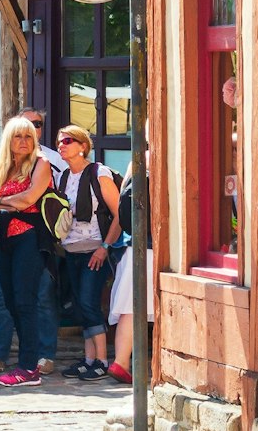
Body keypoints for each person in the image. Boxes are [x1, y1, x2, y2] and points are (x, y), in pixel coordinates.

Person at [0, 107, 59, 373]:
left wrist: (2, 202)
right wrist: (1, 207)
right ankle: (5, 356)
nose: (24, 141)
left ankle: (33, 362)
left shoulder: (43, 162)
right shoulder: (1, 165)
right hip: (3, 239)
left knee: (31, 299)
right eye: (18, 136)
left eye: (29, 135)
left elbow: (30, 198)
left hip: (32, 238)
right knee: (7, 299)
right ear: (9, 138)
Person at [54, 126, 122, 380]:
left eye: (68, 141)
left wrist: (104, 248)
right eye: (59, 142)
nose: (62, 145)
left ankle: (102, 361)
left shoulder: (98, 173)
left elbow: (118, 214)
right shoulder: (62, 177)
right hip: (71, 250)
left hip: (95, 249)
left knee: (89, 303)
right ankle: (89, 359)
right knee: (81, 307)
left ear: (83, 146)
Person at [105, 158, 149, 384]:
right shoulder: (160, 157)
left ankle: (121, 361)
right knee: (152, 306)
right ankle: (123, 362)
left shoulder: (136, 160)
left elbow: (123, 209)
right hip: (152, 245)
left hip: (132, 244)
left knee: (130, 308)